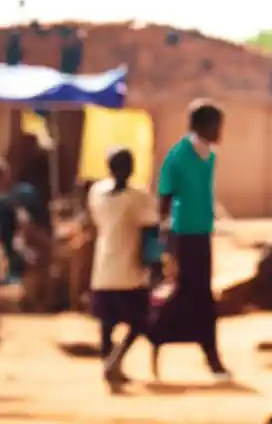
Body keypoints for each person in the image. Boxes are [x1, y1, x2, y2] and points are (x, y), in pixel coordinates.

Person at [145, 100, 230, 382]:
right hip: (183, 235)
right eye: (217, 125)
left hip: (202, 233)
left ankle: (209, 353)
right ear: (202, 126)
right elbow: (165, 196)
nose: (221, 131)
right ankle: (155, 333)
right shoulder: (179, 155)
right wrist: (164, 239)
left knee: (202, 295)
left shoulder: (210, 157)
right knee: (187, 292)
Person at [92, 149, 159, 389]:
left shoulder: (97, 192)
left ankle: (110, 365)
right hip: (129, 269)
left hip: (103, 267)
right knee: (140, 320)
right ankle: (115, 360)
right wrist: (155, 264)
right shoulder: (138, 196)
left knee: (106, 323)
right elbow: (150, 231)